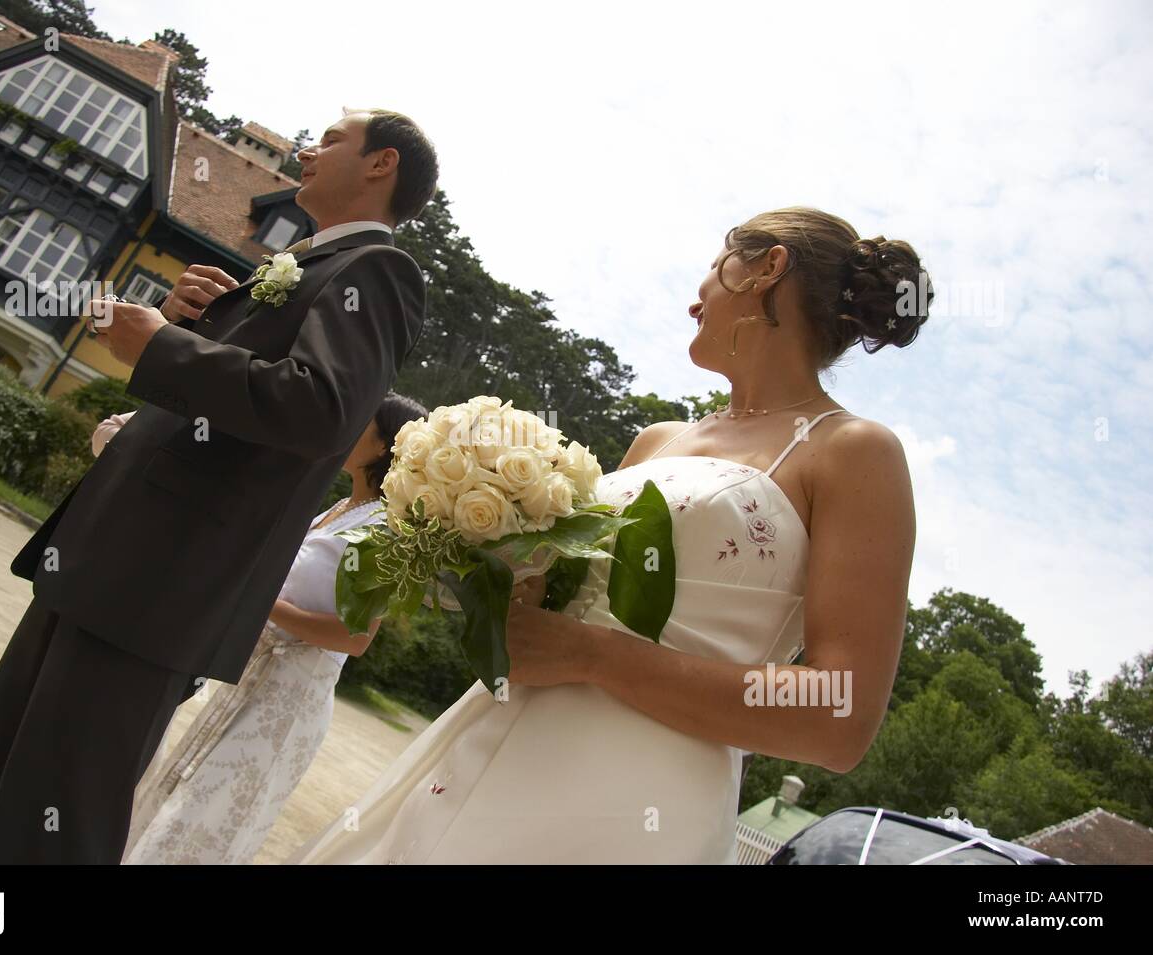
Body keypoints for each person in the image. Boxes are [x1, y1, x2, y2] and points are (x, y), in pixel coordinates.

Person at [289, 207, 927, 864]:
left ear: (768, 267)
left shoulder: (854, 452)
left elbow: (838, 712)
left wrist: (593, 656)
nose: (693, 300)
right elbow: (565, 592)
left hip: (635, 796)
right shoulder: (660, 439)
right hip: (499, 734)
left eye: (713, 270)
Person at [0, 109, 438, 864]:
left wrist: (161, 347)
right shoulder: (308, 264)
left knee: (54, 810)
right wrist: (183, 323)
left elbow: (320, 408)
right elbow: (228, 402)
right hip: (108, 555)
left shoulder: (379, 272)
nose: (306, 149)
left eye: (329, 138)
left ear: (382, 164)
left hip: (161, 582)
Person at [121, 393, 427, 864]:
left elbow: (356, 638)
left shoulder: (387, 529)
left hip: (289, 699)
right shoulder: (340, 507)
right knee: (176, 800)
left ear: (386, 446)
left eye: (363, 422)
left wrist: (261, 602)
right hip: (249, 676)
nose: (347, 426)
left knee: (206, 822)